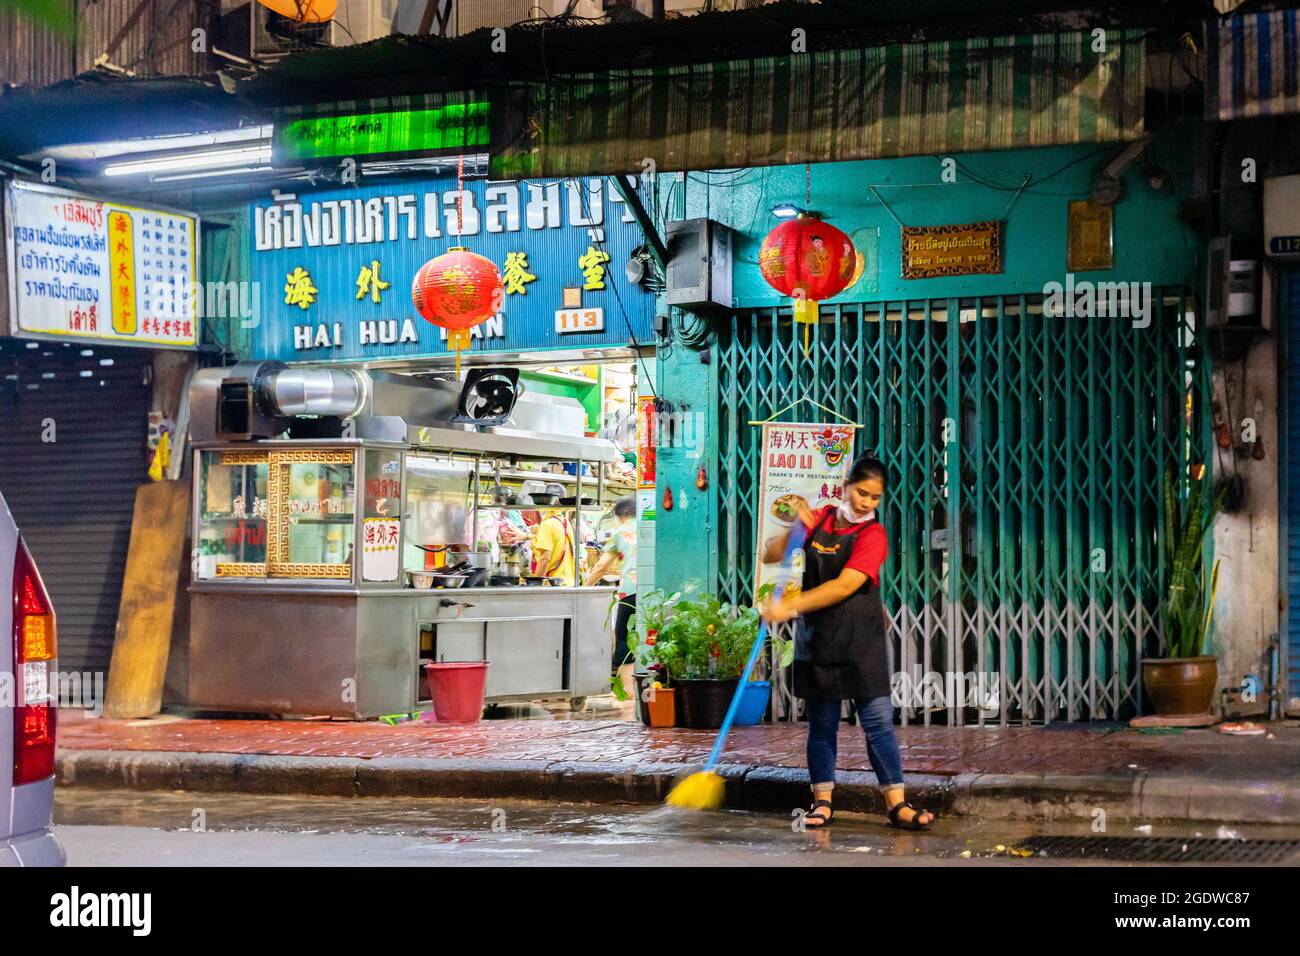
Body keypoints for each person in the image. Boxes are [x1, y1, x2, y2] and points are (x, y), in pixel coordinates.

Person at [760, 454, 935, 831]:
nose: (865, 503)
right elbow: (770, 554)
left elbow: (844, 585)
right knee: (821, 725)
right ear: (847, 486)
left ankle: (897, 804)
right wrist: (793, 529)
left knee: (878, 724)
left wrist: (790, 605)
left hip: (861, 644)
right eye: (861, 493)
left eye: (874, 497)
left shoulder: (874, 535)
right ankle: (821, 803)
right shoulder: (820, 518)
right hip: (819, 640)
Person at [585, 496, 637, 700]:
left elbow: (601, 566)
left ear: (620, 516)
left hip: (631, 591)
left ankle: (627, 692)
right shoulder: (653, 525)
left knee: (624, 638)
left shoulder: (620, 531)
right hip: (654, 591)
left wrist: (585, 587)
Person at [531, 510, 576, 586]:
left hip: (553, 585)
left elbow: (545, 559)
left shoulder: (548, 524)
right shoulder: (565, 522)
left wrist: (536, 586)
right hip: (568, 583)